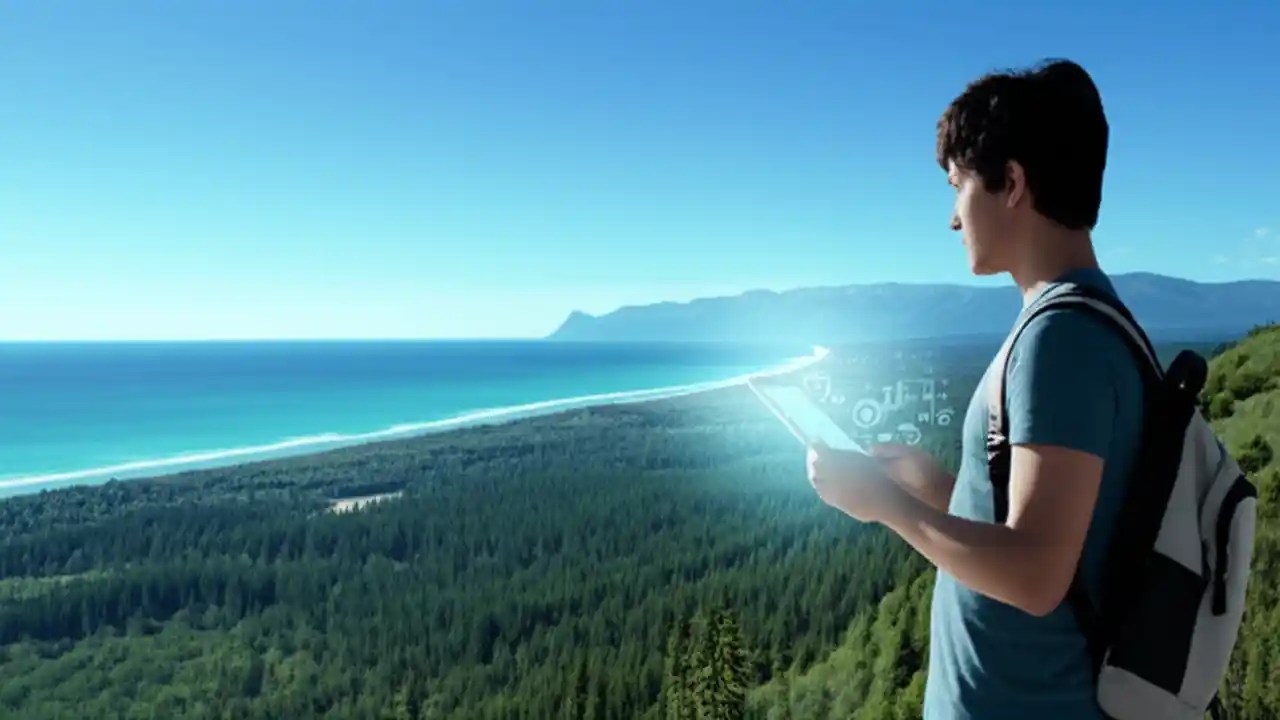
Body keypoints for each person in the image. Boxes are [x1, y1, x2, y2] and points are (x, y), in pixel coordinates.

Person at [806, 58, 1146, 719]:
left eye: (959, 185)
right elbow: (1056, 534)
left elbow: (1038, 573)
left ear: (1011, 183)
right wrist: (939, 487)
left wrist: (885, 505)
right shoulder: (1081, 324)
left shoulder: (1061, 340)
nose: (954, 219)